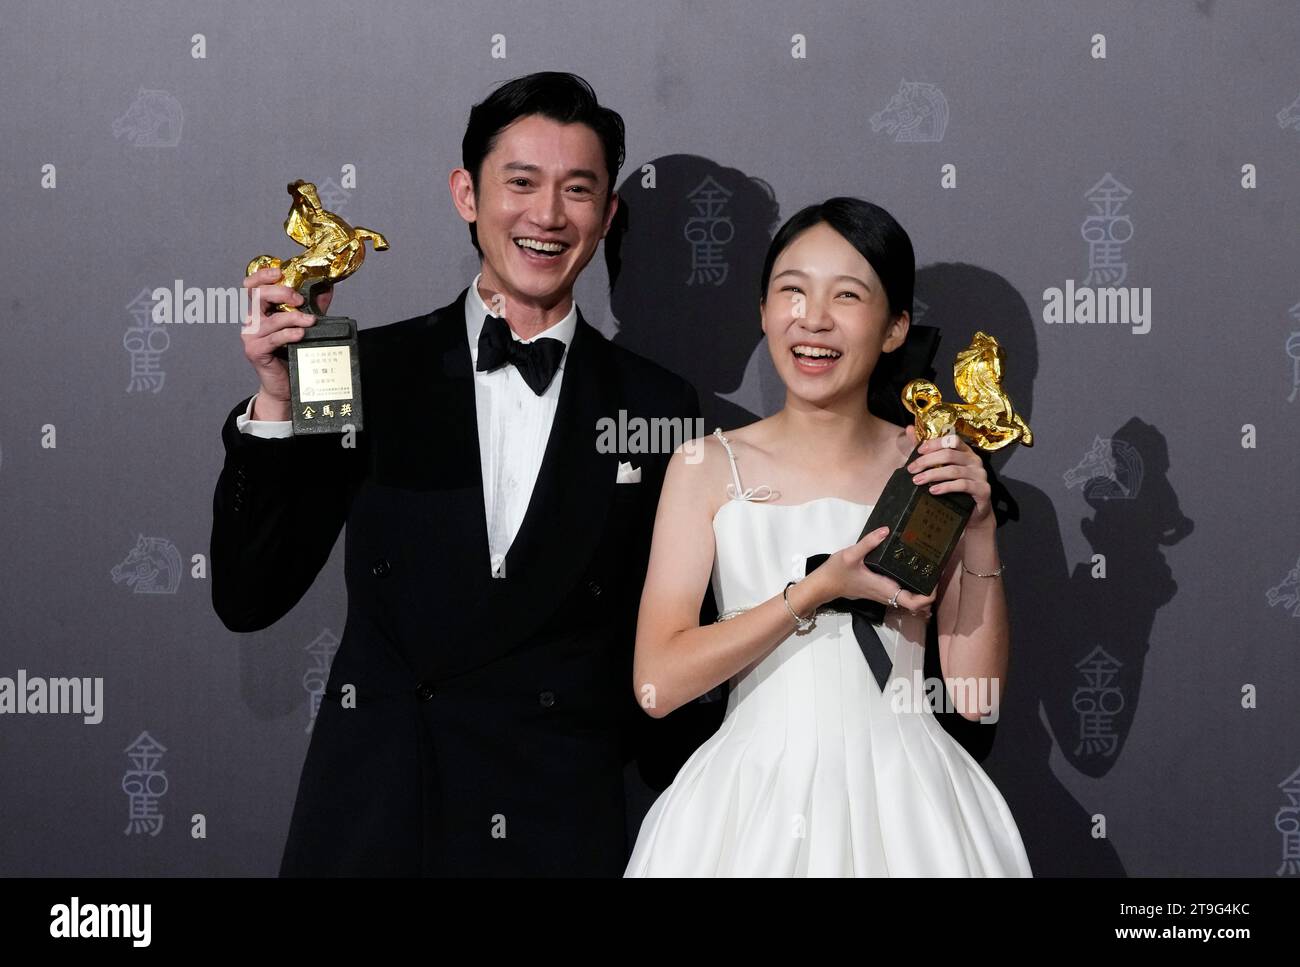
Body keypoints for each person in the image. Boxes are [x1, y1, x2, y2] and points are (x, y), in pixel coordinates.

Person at [210, 72, 720, 876]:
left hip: (557, 826)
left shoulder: (659, 405)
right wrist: (276, 402)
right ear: (466, 195)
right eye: (520, 182)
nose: (547, 215)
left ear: (607, 215)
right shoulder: (358, 369)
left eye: (577, 189)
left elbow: (675, 658)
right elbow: (249, 592)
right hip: (376, 816)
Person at [625, 197, 1033, 876]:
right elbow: (658, 684)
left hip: (912, 803)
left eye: (847, 295)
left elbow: (975, 696)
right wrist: (812, 592)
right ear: (763, 311)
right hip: (747, 800)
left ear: (895, 327)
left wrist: (982, 529)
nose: (813, 319)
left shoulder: (930, 465)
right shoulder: (705, 466)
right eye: (792, 291)